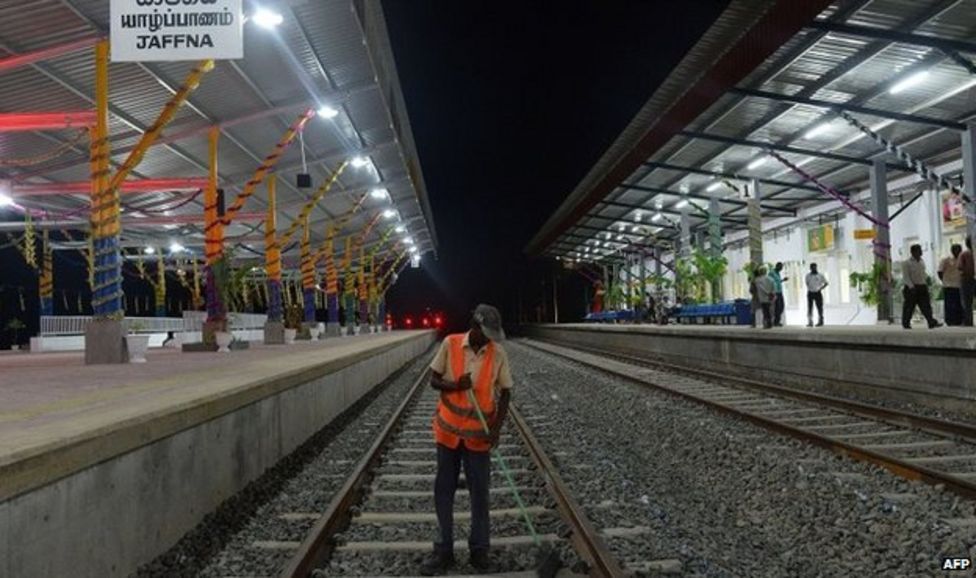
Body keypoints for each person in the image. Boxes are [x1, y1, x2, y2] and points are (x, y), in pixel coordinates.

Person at [421, 304, 513, 575]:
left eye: (491, 335)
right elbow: (434, 380)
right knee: (444, 492)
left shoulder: (498, 354)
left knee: (480, 495)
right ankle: (444, 551)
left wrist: (496, 427)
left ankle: (479, 551)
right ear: (473, 325)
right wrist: (455, 385)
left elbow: (506, 392)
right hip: (448, 433)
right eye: (484, 333)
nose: (488, 339)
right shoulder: (450, 344)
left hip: (478, 438)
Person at [902, 244, 942, 330]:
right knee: (909, 306)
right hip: (911, 287)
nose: (921, 252)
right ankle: (906, 323)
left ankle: (931, 322)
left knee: (926, 305)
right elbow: (906, 277)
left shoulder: (921, 261)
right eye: (919, 250)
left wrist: (926, 284)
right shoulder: (906, 263)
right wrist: (911, 287)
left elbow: (923, 274)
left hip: (922, 286)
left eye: (921, 250)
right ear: (913, 252)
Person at [939, 244, 963, 326]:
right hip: (949, 285)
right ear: (952, 251)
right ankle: (950, 321)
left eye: (959, 250)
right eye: (955, 250)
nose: (958, 251)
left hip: (959, 285)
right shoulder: (946, 260)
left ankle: (959, 321)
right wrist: (944, 281)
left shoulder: (962, 259)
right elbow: (940, 271)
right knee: (949, 305)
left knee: (958, 304)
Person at [960, 237, 975, 327]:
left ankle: (968, 321)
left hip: (967, 279)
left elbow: (960, 267)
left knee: (967, 302)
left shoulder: (964, 254)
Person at [768, 262, 788, 326]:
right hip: (775, 292)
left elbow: (777, 281)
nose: (781, 269)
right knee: (777, 307)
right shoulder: (771, 273)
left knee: (781, 306)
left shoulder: (778, 273)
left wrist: (783, 280)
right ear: (777, 266)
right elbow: (770, 282)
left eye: (782, 268)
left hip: (780, 291)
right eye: (780, 267)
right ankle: (776, 322)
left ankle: (777, 320)